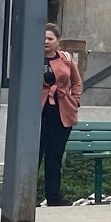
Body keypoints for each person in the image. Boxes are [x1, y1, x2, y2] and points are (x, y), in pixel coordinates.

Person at [40, 23, 83, 206]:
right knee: (35, 155)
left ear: (58, 41)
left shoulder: (66, 59)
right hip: (38, 112)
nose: (46, 42)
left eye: (50, 38)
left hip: (62, 111)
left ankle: (54, 197)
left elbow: (76, 82)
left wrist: (75, 101)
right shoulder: (31, 57)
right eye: (43, 38)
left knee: (55, 156)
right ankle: (27, 198)